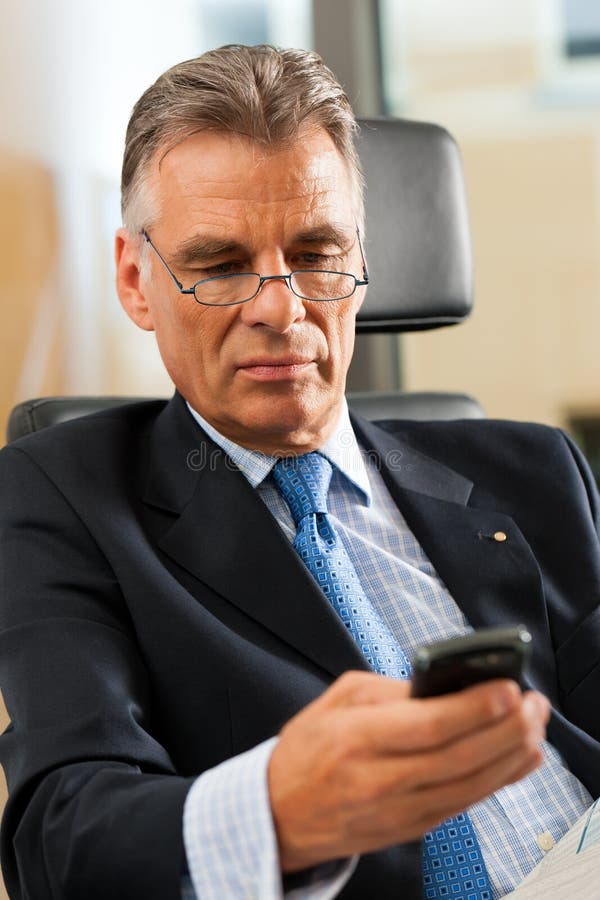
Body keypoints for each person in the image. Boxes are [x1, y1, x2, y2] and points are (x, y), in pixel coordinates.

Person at [0, 44, 598, 900]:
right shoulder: (63, 497)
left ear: (362, 260)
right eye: (219, 266)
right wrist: (280, 812)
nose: (281, 308)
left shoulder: (539, 469)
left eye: (317, 253)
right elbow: (62, 839)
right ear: (136, 281)